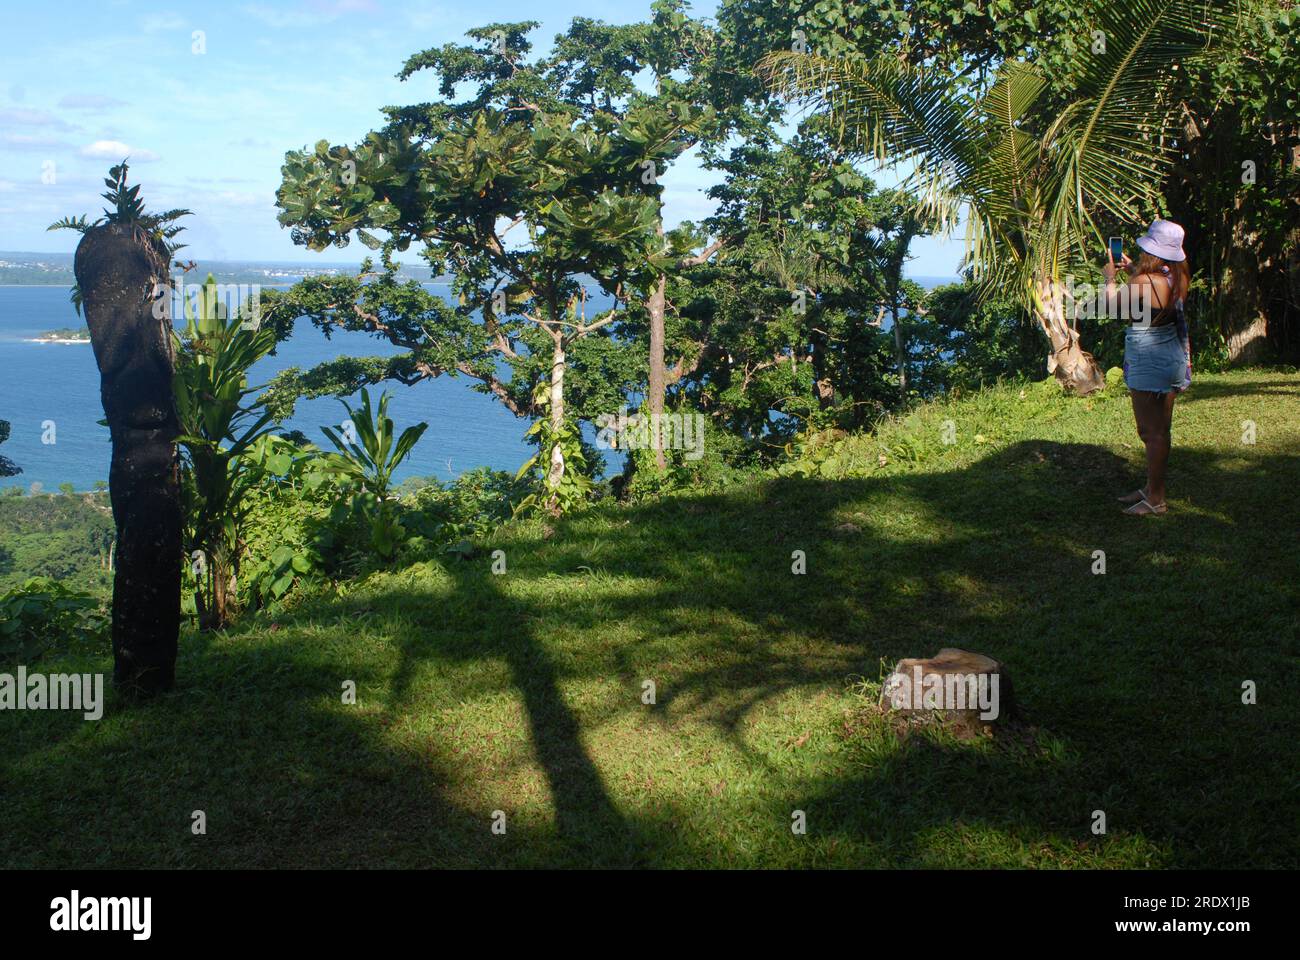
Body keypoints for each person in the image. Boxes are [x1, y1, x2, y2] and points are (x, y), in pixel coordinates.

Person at [1103, 219, 1192, 516]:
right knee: (1161, 429)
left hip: (1148, 356)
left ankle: (1155, 500)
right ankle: (1152, 489)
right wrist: (1131, 269)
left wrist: (1110, 278)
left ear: (1151, 250)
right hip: (1172, 355)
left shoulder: (1143, 282)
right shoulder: (1178, 276)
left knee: (1149, 432)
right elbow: (1156, 294)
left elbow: (1111, 307)